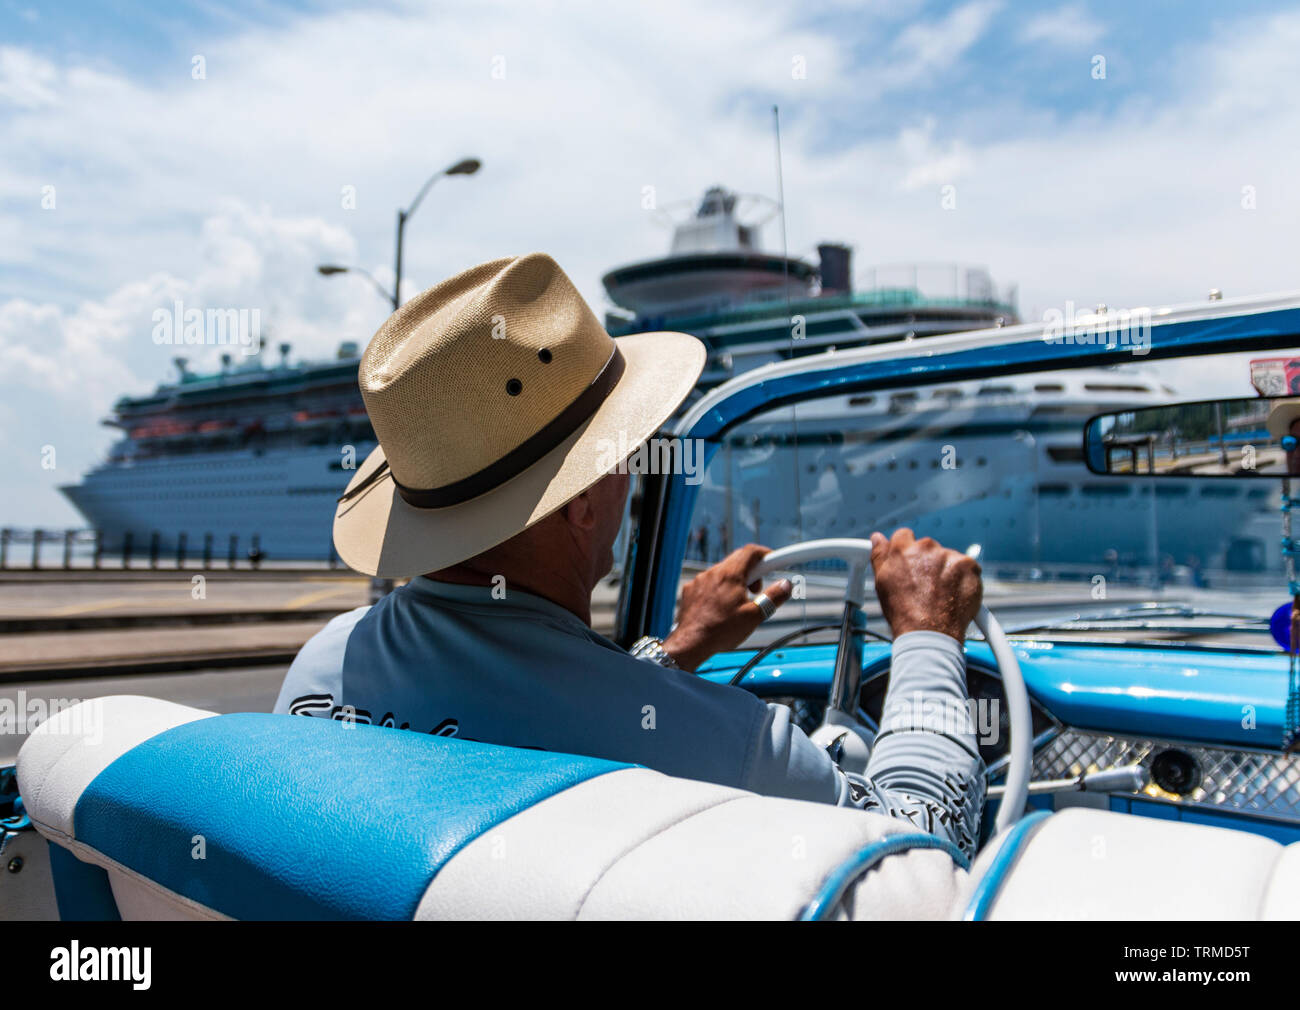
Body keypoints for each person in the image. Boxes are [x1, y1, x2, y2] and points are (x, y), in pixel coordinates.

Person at [275, 254, 987, 857]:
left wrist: (673, 652)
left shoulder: (325, 664)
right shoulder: (728, 746)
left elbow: (535, 709)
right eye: (626, 450)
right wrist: (927, 641)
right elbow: (927, 843)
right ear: (584, 501)